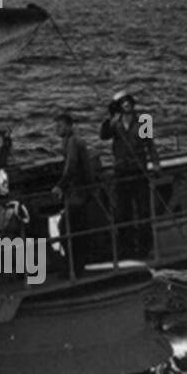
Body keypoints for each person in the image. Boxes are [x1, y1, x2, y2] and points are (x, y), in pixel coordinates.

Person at [99, 89, 161, 259]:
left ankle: (144, 248)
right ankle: (126, 249)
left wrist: (155, 164)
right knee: (121, 212)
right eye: (123, 102)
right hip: (121, 171)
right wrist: (109, 117)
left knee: (143, 211)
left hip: (139, 171)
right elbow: (103, 136)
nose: (127, 104)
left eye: (129, 101)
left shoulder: (143, 121)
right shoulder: (115, 123)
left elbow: (150, 145)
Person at [51, 113, 100, 273]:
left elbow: (71, 167)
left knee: (67, 227)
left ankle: (75, 266)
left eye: (60, 126)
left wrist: (60, 186)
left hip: (79, 192)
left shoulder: (73, 142)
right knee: (74, 228)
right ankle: (76, 264)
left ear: (69, 126)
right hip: (77, 192)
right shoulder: (70, 142)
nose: (57, 129)